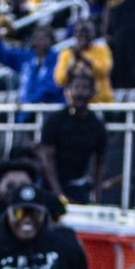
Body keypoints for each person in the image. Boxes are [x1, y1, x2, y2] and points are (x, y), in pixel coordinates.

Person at [39, 72, 108, 204]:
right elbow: (48, 159)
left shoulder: (97, 125)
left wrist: (97, 195)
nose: (80, 93)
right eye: (76, 88)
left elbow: (100, 162)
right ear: (68, 92)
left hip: (77, 186)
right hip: (50, 185)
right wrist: (58, 194)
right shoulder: (55, 120)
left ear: (92, 93)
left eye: (84, 88)